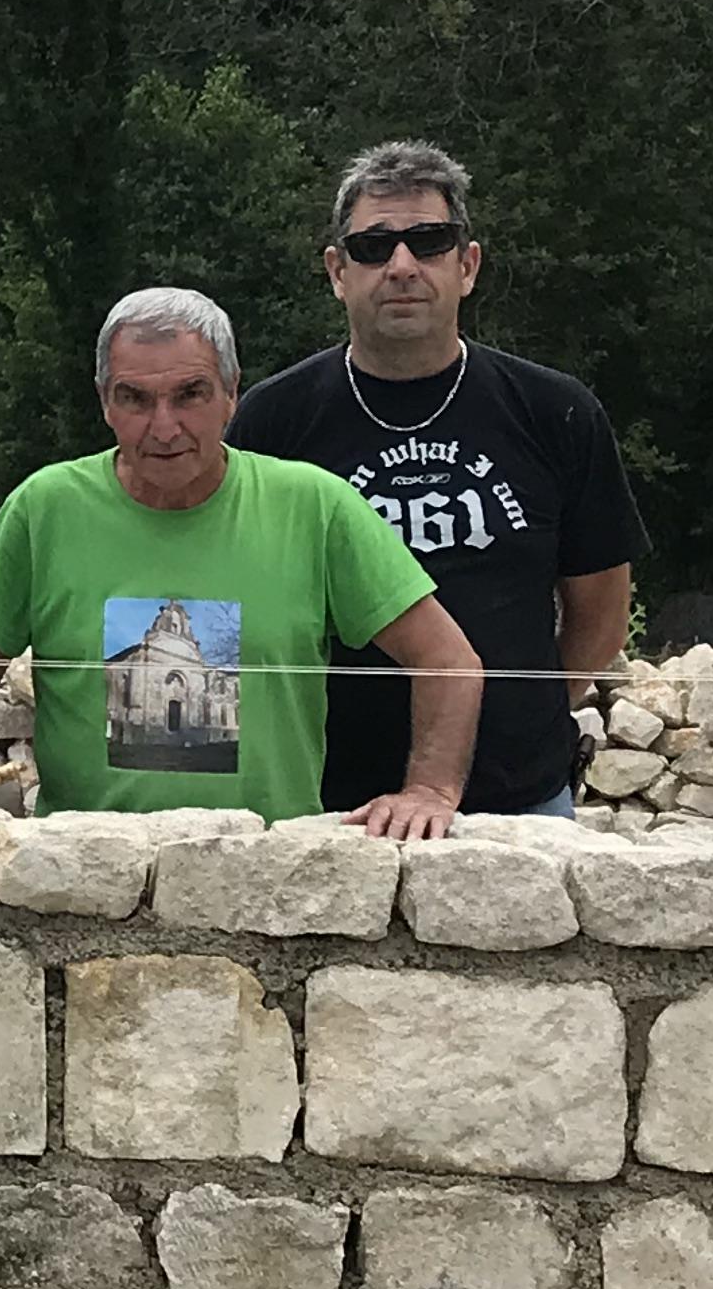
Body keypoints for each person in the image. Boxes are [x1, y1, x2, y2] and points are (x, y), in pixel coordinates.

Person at [0, 288, 482, 835]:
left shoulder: (315, 506)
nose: (164, 427)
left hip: (271, 866)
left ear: (232, 393)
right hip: (89, 874)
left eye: (191, 394)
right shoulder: (45, 507)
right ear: (105, 401)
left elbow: (448, 661)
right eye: (135, 398)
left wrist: (429, 792)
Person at [232, 141, 645, 818]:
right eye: (374, 247)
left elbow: (599, 614)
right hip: (323, 798)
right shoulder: (274, 422)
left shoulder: (556, 412)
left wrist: (523, 712)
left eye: (429, 242)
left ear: (468, 264)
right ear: (338, 271)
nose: (401, 266)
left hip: (518, 800)